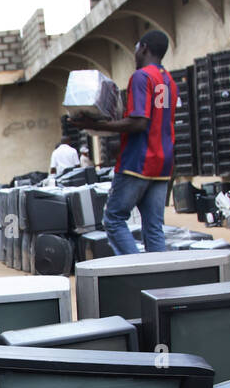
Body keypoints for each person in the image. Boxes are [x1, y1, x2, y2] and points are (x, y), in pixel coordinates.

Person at [69, 30, 178, 254]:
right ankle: (160, 277)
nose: (135, 53)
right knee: (154, 226)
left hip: (138, 160)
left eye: (137, 48)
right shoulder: (168, 81)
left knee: (114, 219)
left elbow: (139, 123)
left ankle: (137, 271)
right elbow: (153, 118)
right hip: (162, 163)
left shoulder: (141, 77)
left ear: (144, 48)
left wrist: (95, 125)